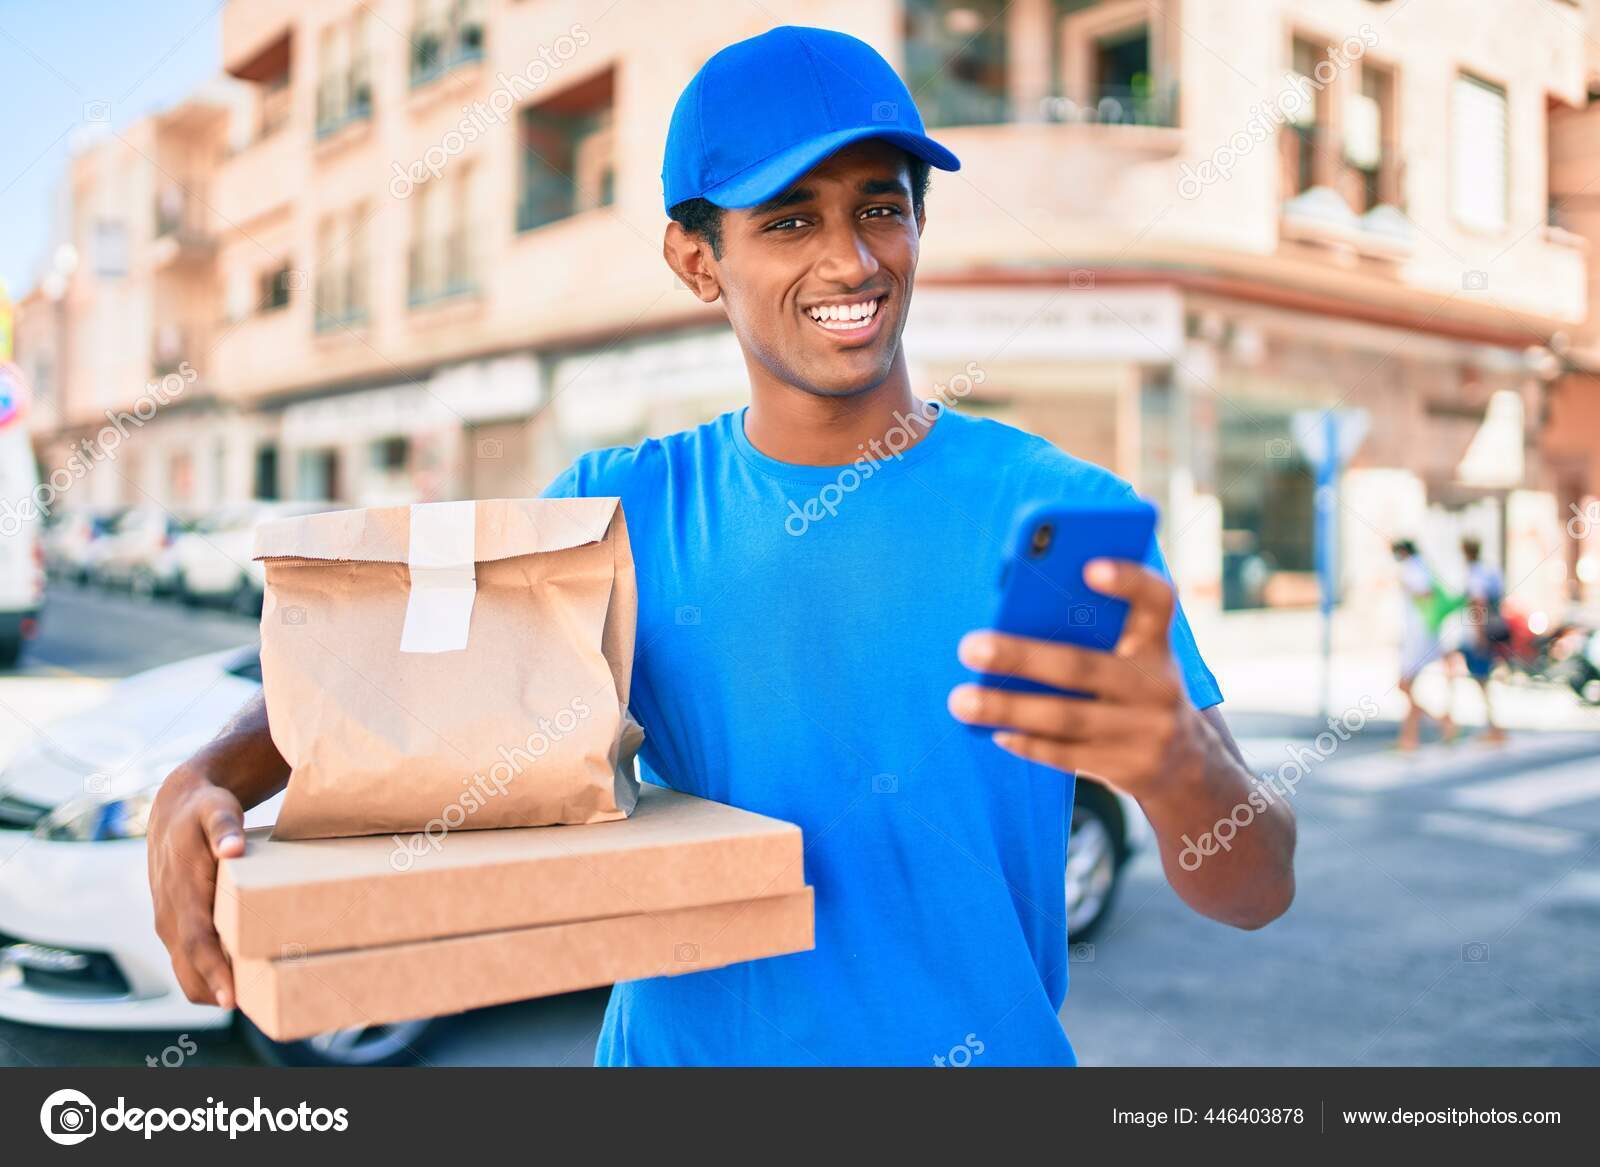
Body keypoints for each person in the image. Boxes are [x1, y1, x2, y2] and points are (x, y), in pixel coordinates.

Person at [147, 26, 1295, 1066]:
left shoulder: (1052, 515)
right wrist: (206, 777)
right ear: (697, 260)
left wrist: (1173, 769)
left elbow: (1255, 889)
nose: (851, 262)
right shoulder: (617, 511)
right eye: (789, 220)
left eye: (879, 208)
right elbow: (395, 685)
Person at [1391, 539, 1457, 751]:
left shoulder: (1413, 569)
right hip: (1421, 633)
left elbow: (1426, 593)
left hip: (1418, 636)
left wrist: (1407, 587)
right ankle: (1409, 738)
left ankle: (1441, 722)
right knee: (1408, 686)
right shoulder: (1421, 566)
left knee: (1404, 685)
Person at [1455, 536, 1507, 744]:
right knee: (1480, 679)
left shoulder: (1476, 575)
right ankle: (1492, 727)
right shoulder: (1488, 571)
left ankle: (1494, 728)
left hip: (1477, 634)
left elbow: (1478, 604)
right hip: (1484, 631)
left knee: (1481, 679)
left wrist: (1479, 635)